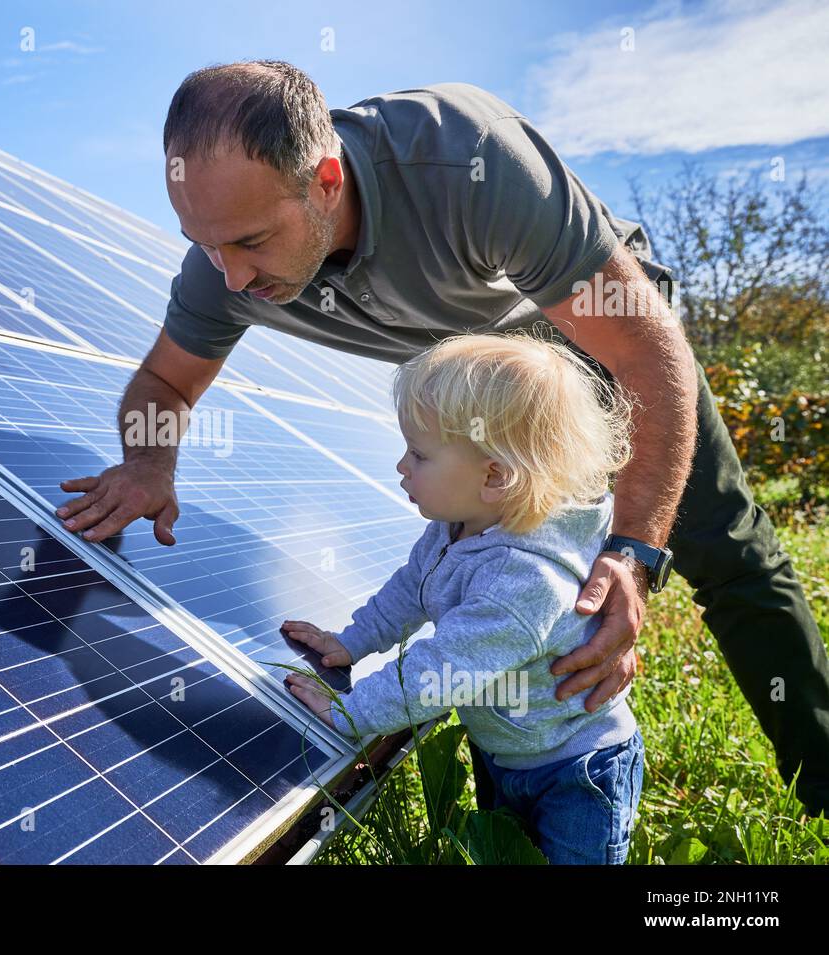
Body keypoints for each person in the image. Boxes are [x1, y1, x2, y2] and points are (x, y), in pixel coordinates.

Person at [55, 61, 829, 817]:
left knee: (727, 553)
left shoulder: (468, 162)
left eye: (251, 241)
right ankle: (537, 779)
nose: (229, 277)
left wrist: (633, 552)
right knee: (510, 583)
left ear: (326, 180)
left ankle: (822, 779)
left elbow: (644, 356)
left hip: (599, 345)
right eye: (204, 243)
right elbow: (164, 383)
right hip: (481, 396)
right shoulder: (224, 262)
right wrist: (147, 461)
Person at [282, 331, 644, 863]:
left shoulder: (525, 581)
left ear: (495, 476)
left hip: (577, 769)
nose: (402, 466)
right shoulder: (460, 525)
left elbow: (442, 669)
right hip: (505, 750)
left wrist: (350, 715)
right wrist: (352, 642)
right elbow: (412, 589)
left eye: (419, 454)